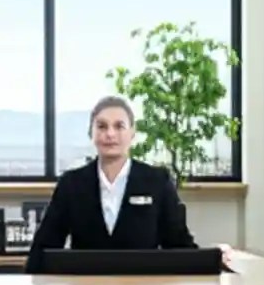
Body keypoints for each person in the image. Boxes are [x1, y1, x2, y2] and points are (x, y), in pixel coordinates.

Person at [24, 96, 231, 273]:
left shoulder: (157, 181)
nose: (110, 134)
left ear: (132, 133)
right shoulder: (71, 183)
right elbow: (43, 250)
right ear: (91, 133)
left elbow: (179, 245)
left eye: (119, 126)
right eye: (102, 126)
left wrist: (212, 258)